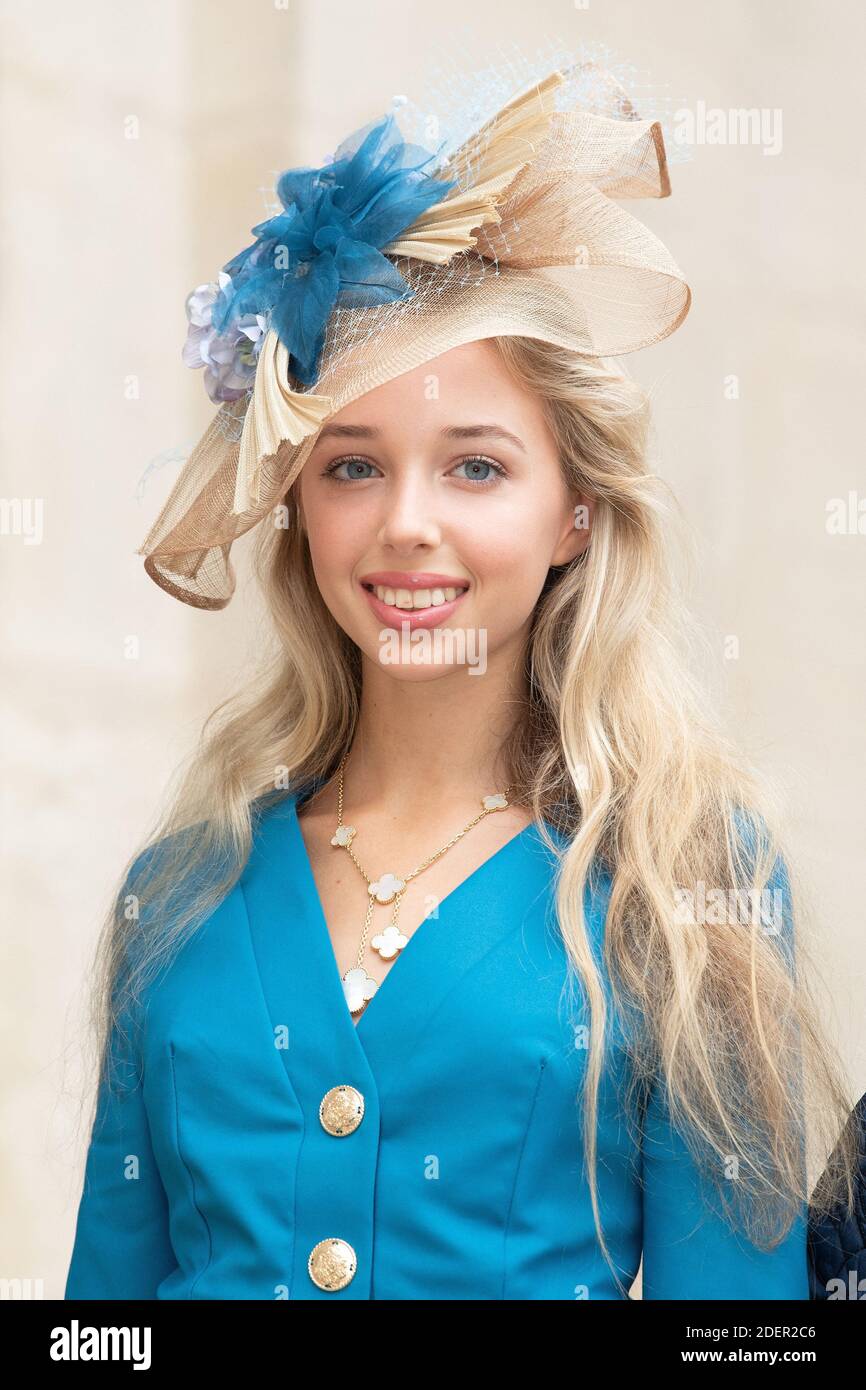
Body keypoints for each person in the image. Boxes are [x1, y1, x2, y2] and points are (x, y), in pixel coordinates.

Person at [64, 56, 859, 1300]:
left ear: (575, 514)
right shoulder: (176, 893)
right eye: (351, 467)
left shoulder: (681, 878)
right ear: (297, 512)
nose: (406, 525)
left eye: (475, 467)